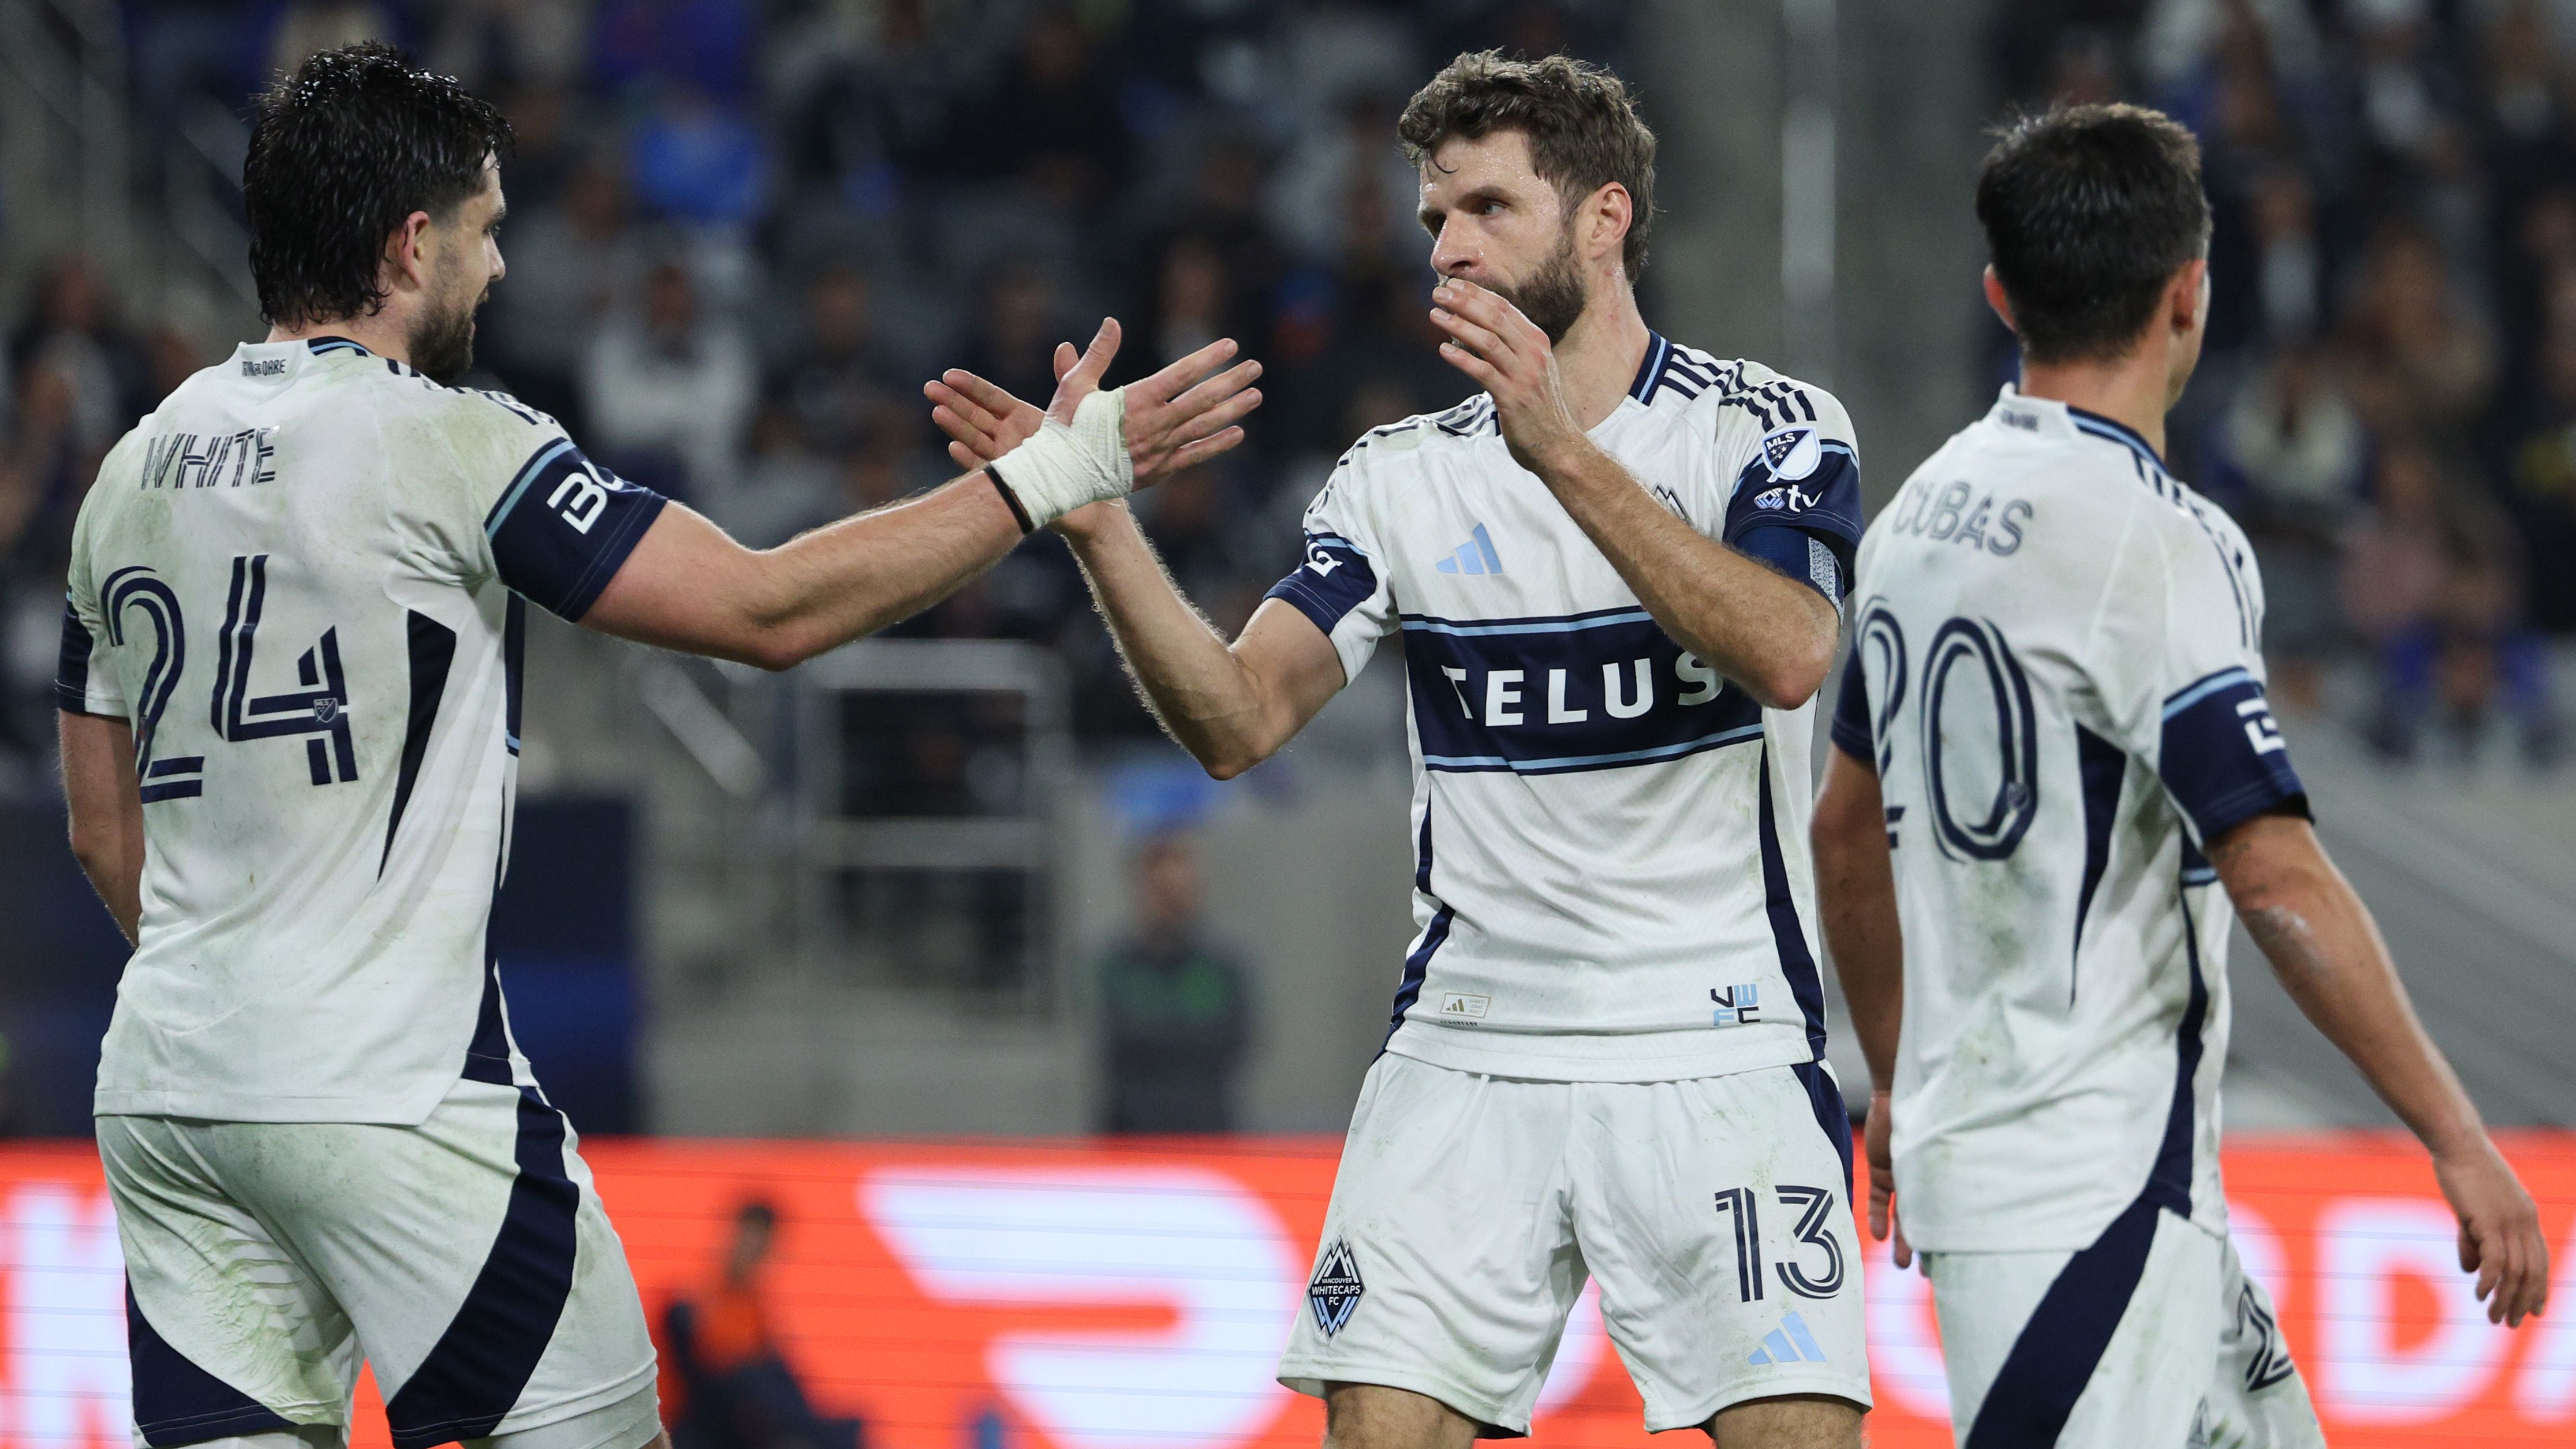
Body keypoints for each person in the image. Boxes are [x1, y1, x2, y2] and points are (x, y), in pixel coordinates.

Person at [54, 43, 1259, 1449]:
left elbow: (99, 826)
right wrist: (1051, 473)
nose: (499, 271)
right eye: (489, 232)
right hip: (391, 1088)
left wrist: (243, 1017)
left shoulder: (129, 469)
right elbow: (766, 608)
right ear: (413, 241)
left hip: (169, 1092)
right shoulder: (448, 443)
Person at [932, 50, 1868, 1449]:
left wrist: (1558, 449)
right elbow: (1240, 718)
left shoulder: (1766, 428)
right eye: (1433, 216)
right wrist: (1101, 528)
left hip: (1716, 1040)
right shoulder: (1397, 476)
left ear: (1602, 218)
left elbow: (1788, 649)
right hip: (1467, 1048)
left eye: (1485, 207)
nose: (1445, 247)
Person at [1810, 103, 2551, 1448]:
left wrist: (1898, 1077)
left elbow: (1843, 833)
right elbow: (2270, 872)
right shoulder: (2161, 543)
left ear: (1998, 294)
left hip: (2090, 1187)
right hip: (2086, 1195)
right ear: (2187, 297)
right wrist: (2452, 1134)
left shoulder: (1911, 516)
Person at [662, 1202, 859, 1449]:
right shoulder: (692, 1297)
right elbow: (706, 1373)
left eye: (761, 1245)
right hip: (698, 1423)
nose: (752, 1252)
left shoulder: (754, 1306)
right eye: (749, 1240)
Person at [1096, 834, 1254, 1133]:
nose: (1171, 905)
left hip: (1208, 1131)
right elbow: (1118, 1041)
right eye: (1162, 894)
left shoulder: (1221, 968)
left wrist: (1159, 1034)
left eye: (1178, 894)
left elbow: (1235, 1041)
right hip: (1133, 1134)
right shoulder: (1119, 966)